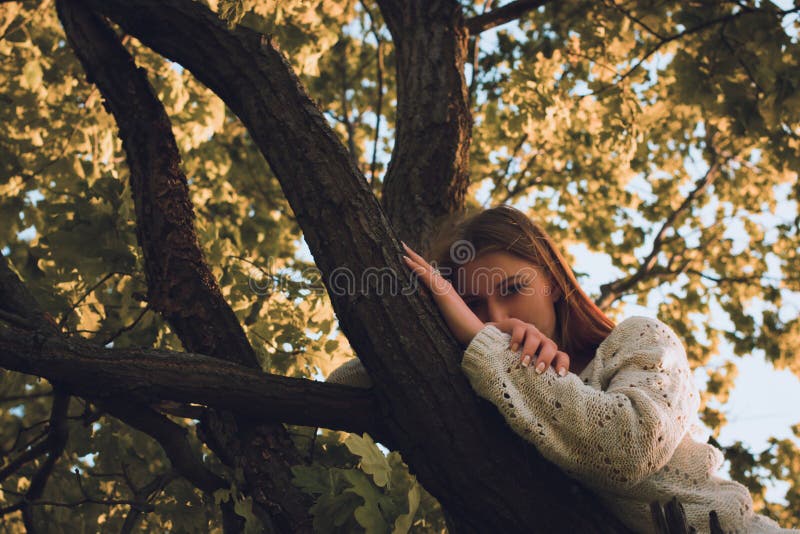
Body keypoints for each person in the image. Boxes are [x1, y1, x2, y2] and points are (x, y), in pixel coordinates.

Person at [327, 205, 797, 533]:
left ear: (551, 280)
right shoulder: (486, 371)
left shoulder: (637, 341)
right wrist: (439, 327)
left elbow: (627, 448)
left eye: (512, 288)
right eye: (473, 306)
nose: (495, 317)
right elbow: (344, 387)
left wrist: (483, 342)